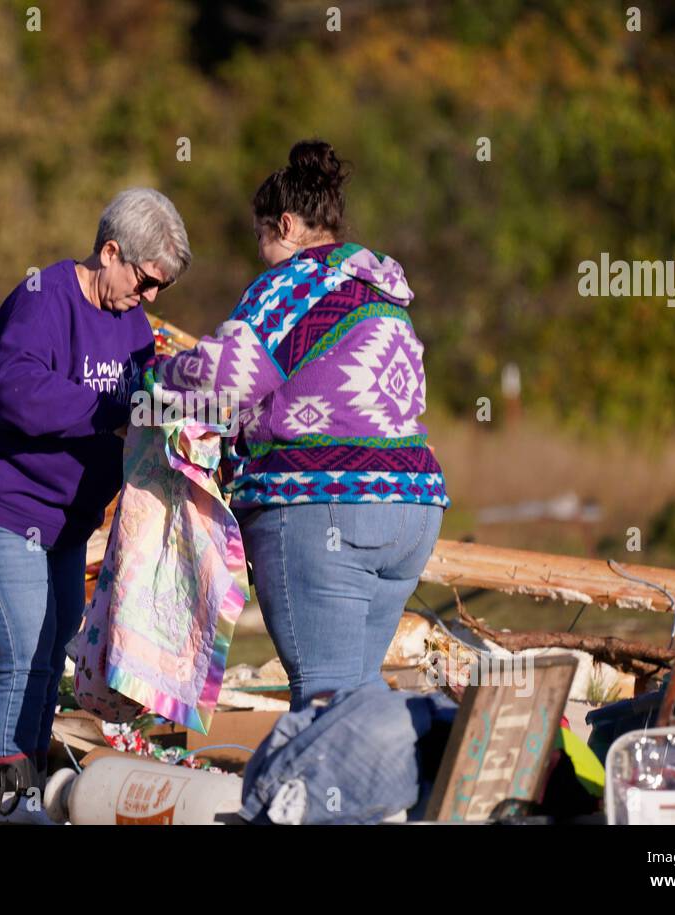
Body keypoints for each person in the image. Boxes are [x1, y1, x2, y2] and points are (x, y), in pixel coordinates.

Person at [147, 140, 449, 712]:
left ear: (284, 224)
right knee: (355, 702)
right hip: (412, 509)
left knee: (321, 703)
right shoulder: (382, 294)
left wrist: (152, 378)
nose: (260, 251)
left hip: (325, 506)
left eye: (260, 234)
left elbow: (223, 381)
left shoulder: (294, 284)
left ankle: (315, 802)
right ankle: (376, 798)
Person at [0, 188, 190, 810]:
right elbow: (16, 392)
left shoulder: (134, 327)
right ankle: (6, 809)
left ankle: (30, 797)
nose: (150, 298)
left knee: (50, 656)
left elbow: (141, 404)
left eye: (163, 291)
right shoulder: (43, 299)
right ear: (110, 252)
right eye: (148, 281)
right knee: (17, 657)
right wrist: (111, 408)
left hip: (61, 524)